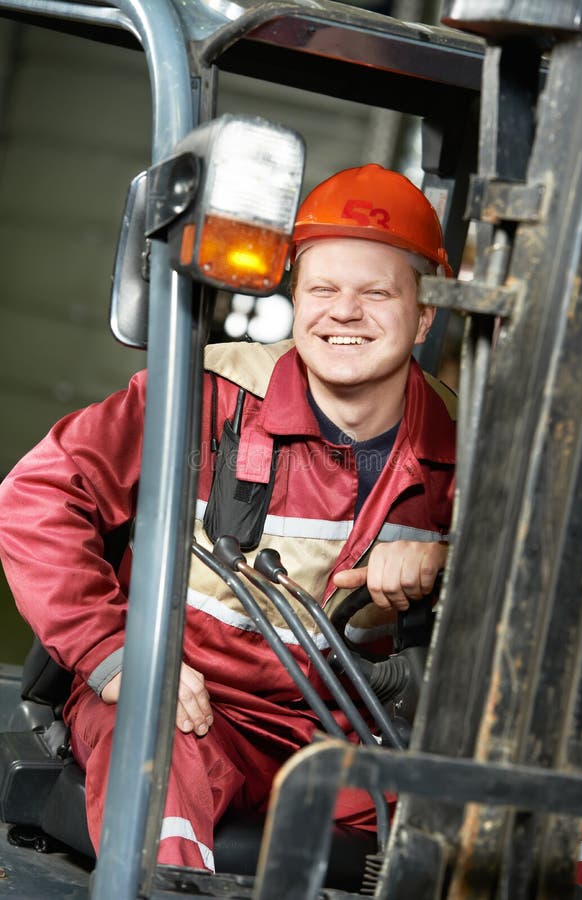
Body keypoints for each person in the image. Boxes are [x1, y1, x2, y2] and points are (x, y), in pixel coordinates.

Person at [0, 164, 456, 870]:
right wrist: (112, 655)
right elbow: (36, 498)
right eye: (323, 290)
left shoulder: (474, 452)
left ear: (424, 315)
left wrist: (453, 563)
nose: (344, 312)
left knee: (468, 836)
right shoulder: (207, 396)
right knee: (156, 777)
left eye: (375, 293)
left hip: (341, 732)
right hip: (188, 702)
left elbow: (547, 594)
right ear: (295, 298)